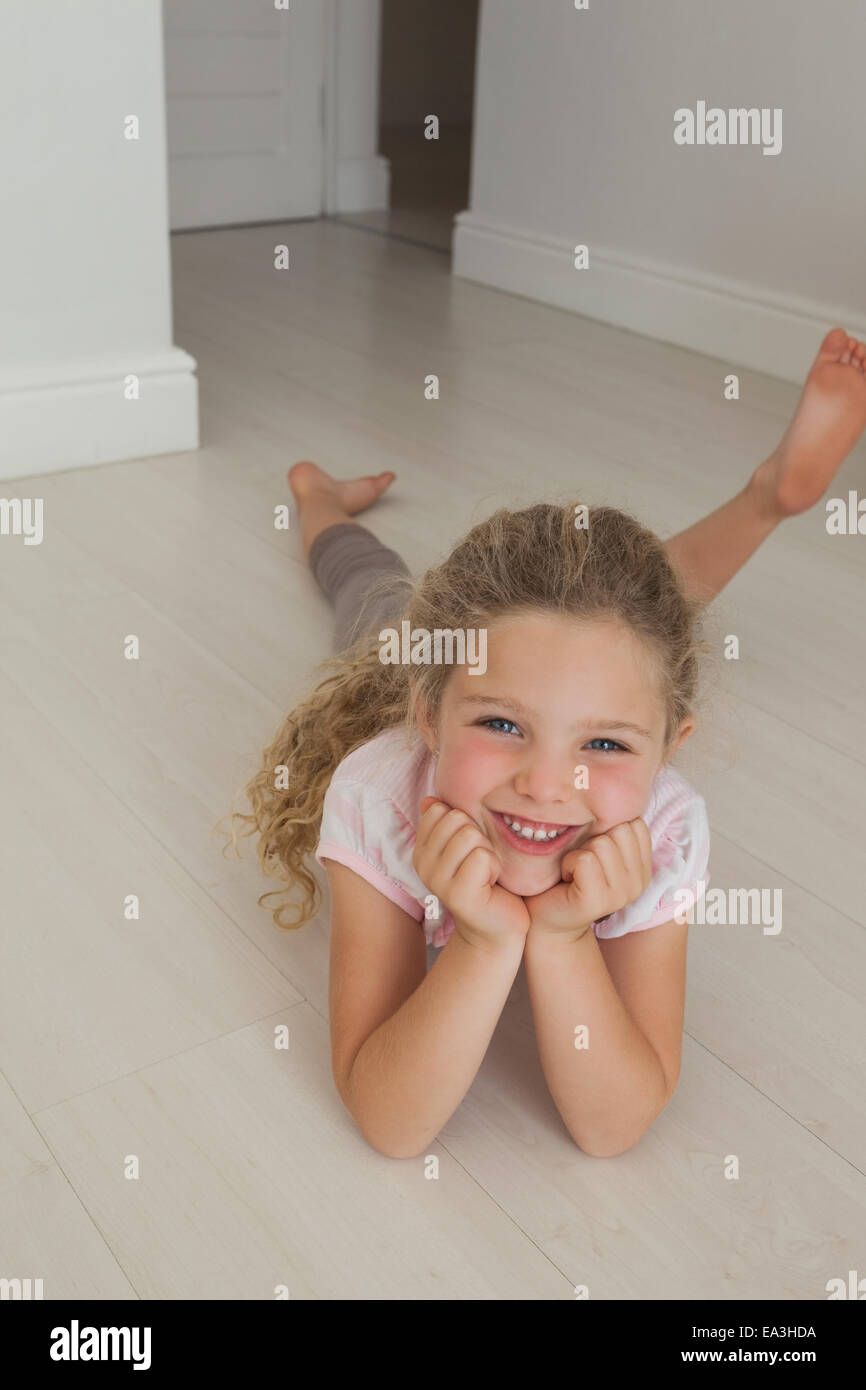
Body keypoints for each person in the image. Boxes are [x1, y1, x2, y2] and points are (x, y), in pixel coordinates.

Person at [228, 327, 866, 1159]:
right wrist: (488, 941)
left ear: (671, 751)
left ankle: (769, 496)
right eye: (501, 725)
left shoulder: (664, 824)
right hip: (408, 658)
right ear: (433, 716)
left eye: (606, 745)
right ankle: (316, 494)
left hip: (527, 661)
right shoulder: (379, 789)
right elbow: (389, 1122)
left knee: (617, 629)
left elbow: (613, 1127)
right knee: (371, 592)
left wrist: (563, 938)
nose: (546, 784)